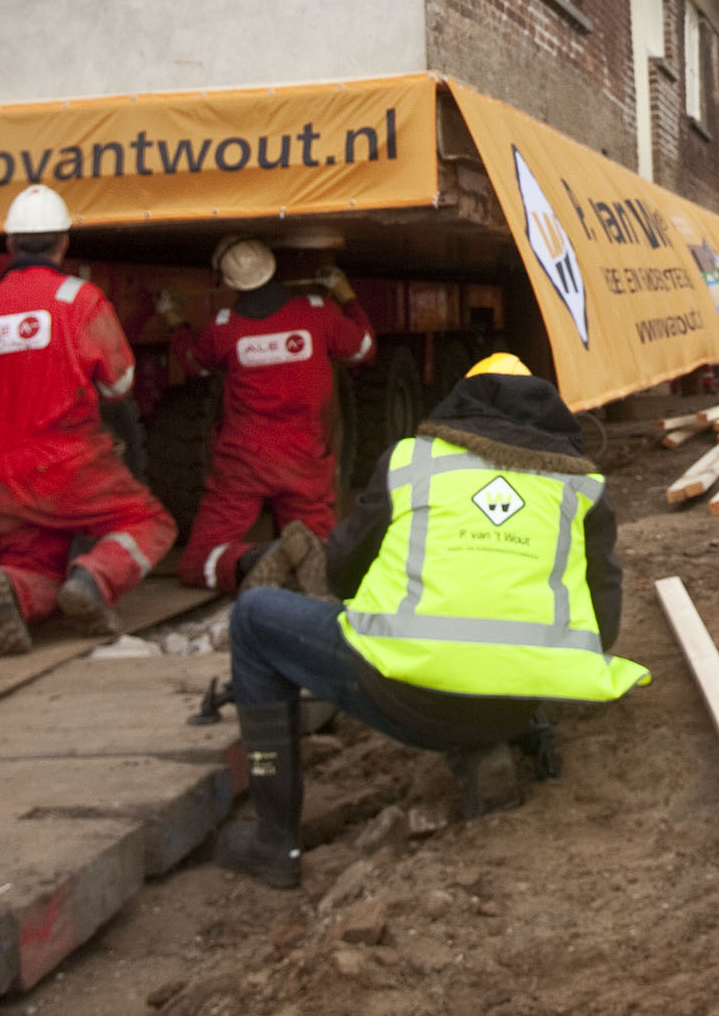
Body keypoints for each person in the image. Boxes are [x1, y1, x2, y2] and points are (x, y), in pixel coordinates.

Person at [213, 353, 649, 887]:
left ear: (461, 403)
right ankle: (485, 747)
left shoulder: (410, 461)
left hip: (409, 700)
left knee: (254, 617)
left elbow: (343, 576)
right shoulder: (582, 488)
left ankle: (274, 843)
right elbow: (603, 629)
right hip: (510, 710)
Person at [0, 184, 180, 656]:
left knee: (32, 561)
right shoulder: (79, 300)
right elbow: (119, 383)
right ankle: (94, 579)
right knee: (150, 522)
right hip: (66, 463)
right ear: (64, 242)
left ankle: (13, 589)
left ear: (9, 243)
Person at [173, 236, 375, 594]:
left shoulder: (225, 327)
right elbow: (363, 348)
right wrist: (345, 294)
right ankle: (304, 564)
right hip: (304, 460)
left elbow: (194, 364)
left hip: (243, 463)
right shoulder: (317, 313)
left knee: (199, 563)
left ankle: (258, 558)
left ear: (228, 283)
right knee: (321, 556)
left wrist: (175, 321)